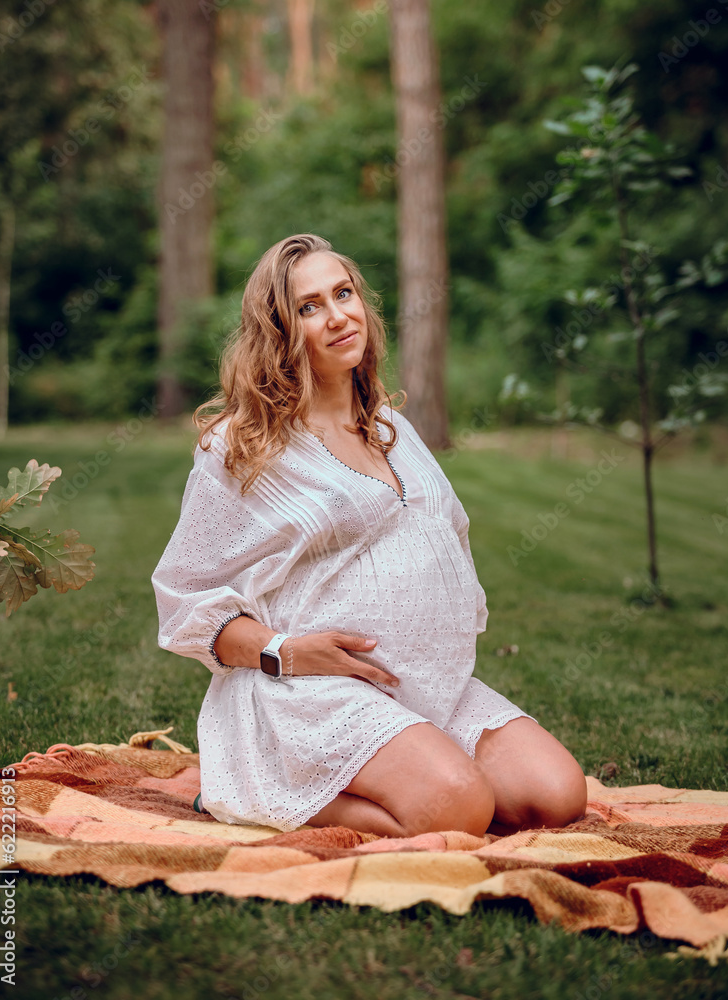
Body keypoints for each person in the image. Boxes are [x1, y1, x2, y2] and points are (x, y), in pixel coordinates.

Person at [152, 233, 587, 838]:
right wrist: (286, 650)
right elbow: (184, 597)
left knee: (557, 795)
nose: (337, 317)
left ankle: (414, 765)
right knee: (460, 807)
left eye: (344, 293)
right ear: (278, 331)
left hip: (428, 687)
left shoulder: (392, 426)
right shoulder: (244, 444)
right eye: (308, 307)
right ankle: (244, 789)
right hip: (314, 693)